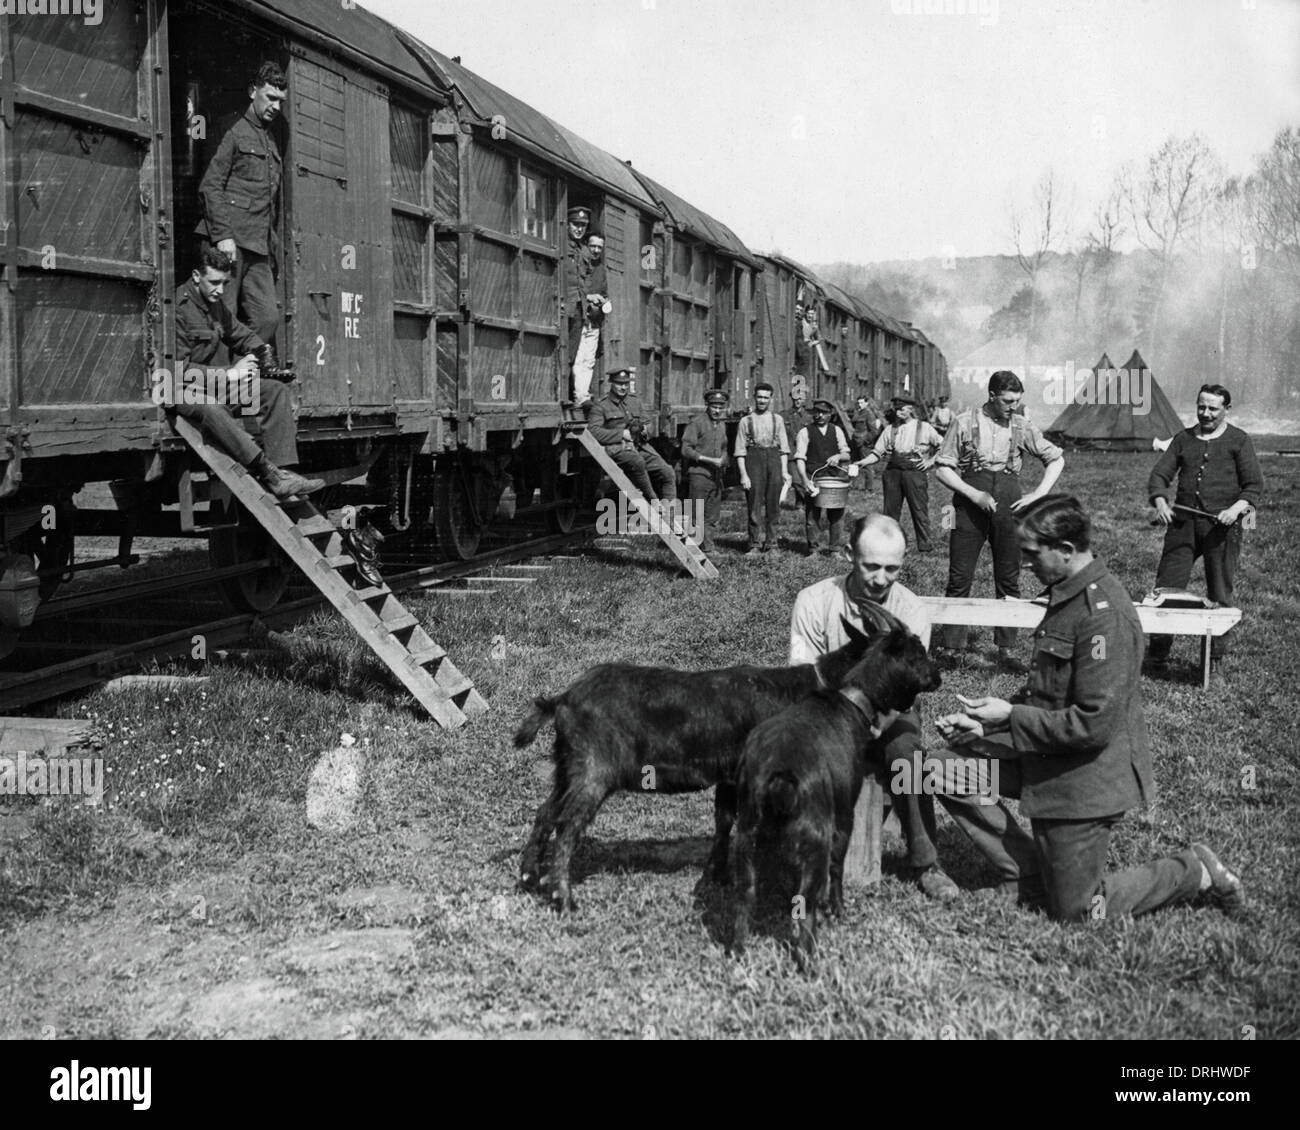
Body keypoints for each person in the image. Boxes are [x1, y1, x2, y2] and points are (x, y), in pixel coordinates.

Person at [935, 495, 1245, 922]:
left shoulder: (1103, 615)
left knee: (1081, 910)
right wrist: (985, 724)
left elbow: (1092, 724)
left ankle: (1192, 870)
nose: (1024, 564)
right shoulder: (1067, 595)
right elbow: (1048, 695)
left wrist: (1010, 718)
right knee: (928, 769)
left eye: (1031, 554)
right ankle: (1025, 877)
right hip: (1046, 757)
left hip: (1083, 780)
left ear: (1065, 551)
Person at [790, 514, 1042, 903]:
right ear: (847, 555)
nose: (881, 578)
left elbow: (901, 692)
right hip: (825, 714)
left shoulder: (910, 611)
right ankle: (803, 849)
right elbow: (802, 680)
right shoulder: (814, 600)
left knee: (909, 759)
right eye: (870, 566)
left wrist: (870, 730)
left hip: (889, 711)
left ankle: (926, 861)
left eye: (892, 568)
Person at [933, 371, 1064, 673]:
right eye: (1007, 401)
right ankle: (951, 647)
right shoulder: (963, 422)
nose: (1013, 407)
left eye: (1017, 401)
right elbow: (942, 469)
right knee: (959, 575)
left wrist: (1038, 494)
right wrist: (973, 494)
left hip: (1010, 505)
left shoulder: (1021, 425)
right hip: (967, 506)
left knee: (1009, 577)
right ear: (991, 395)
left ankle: (1006, 649)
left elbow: (1056, 459)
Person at [171, 247, 323, 500]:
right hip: (179, 389)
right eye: (214, 282)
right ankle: (268, 472)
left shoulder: (215, 304)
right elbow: (177, 370)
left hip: (211, 385)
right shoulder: (179, 307)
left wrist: (263, 355)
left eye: (225, 283)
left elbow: (240, 334)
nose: (220, 290)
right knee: (211, 407)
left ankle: (284, 474)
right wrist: (230, 374)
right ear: (197, 276)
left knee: (273, 392)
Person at [1146, 384, 1262, 673]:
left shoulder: (1239, 440)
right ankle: (1157, 654)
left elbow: (1253, 486)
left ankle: (1214, 658)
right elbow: (1160, 475)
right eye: (1201, 407)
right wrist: (1160, 502)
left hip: (1221, 532)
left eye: (1213, 408)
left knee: (1219, 591)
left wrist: (1234, 511)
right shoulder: (1183, 439)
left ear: (1226, 410)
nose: (1206, 413)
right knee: (1166, 589)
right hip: (1182, 528)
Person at [197, 61, 288, 350]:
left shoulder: (271, 141)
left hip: (257, 247)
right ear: (253, 91)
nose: (275, 106)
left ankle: (241, 367)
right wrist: (223, 236)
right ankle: (222, 384)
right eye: (270, 97)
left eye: (280, 101)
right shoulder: (231, 129)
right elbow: (210, 184)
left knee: (268, 318)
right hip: (229, 243)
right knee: (223, 317)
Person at [851, 393, 943, 553]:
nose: (899, 412)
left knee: (919, 510)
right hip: (893, 473)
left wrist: (930, 461)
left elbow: (944, 446)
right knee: (890, 512)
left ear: (911, 409)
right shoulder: (890, 429)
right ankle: (892, 545)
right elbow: (877, 453)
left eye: (902, 409)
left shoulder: (924, 427)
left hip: (915, 473)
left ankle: (925, 546)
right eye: (897, 409)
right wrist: (862, 462)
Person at [585, 368, 675, 503]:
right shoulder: (601, 405)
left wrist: (645, 430)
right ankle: (653, 501)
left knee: (668, 472)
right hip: (617, 448)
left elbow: (648, 422)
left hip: (639, 446)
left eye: (626, 384)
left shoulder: (635, 402)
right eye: (619, 383)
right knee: (637, 462)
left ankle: (670, 511)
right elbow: (593, 432)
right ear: (611, 383)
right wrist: (622, 434)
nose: (623, 387)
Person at [734, 382, 790, 554]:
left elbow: (784, 450)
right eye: (759, 397)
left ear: (771, 399)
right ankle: (754, 544)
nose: (762, 400)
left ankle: (772, 544)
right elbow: (740, 451)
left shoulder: (777, 419)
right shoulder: (746, 421)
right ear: (754, 397)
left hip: (774, 459)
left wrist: (784, 471)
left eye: (766, 397)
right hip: (754, 460)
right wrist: (744, 475)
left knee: (773, 505)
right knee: (754, 504)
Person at [792, 399, 851, 555]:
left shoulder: (837, 430)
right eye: (817, 412)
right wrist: (804, 480)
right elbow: (799, 458)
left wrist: (838, 456)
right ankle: (813, 549)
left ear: (830, 414)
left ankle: (835, 549)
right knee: (812, 515)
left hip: (834, 477)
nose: (819, 415)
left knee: (837, 514)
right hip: (814, 477)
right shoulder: (805, 432)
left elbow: (846, 453)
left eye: (824, 413)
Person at [680, 389, 730, 553]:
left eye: (720, 407)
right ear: (707, 406)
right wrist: (708, 460)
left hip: (716, 477)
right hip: (699, 475)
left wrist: (723, 458)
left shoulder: (721, 424)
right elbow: (686, 449)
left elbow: (723, 447)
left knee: (712, 515)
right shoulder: (697, 423)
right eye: (714, 406)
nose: (717, 410)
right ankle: (691, 552)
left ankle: (708, 548)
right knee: (696, 513)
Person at [569, 226, 610, 407]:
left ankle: (583, 395)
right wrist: (589, 297)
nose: (596, 250)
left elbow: (604, 292)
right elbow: (573, 288)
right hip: (580, 317)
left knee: (588, 359)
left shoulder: (601, 268)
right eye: (593, 246)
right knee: (578, 357)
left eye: (599, 248)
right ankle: (579, 396)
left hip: (595, 320)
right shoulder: (580, 262)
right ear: (586, 245)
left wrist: (604, 301)